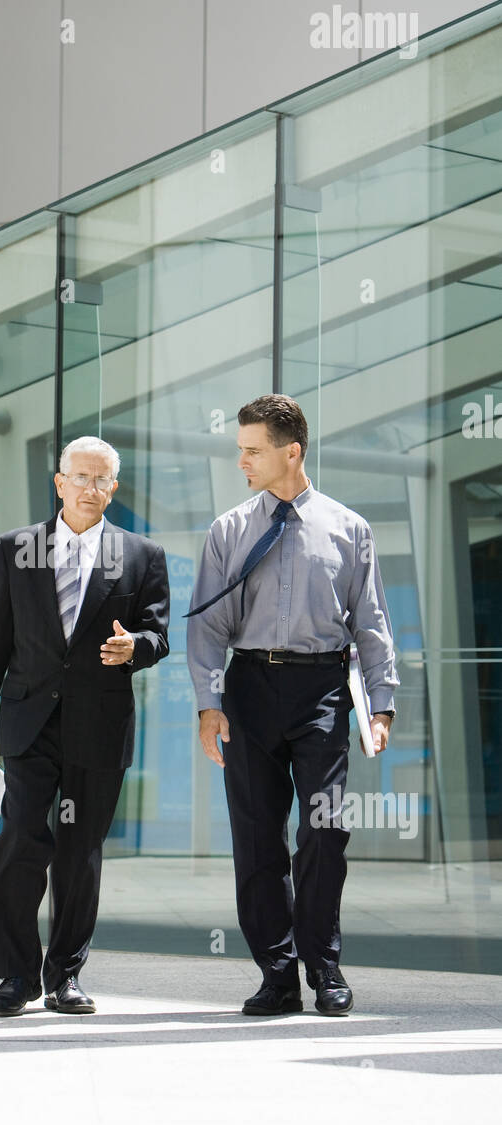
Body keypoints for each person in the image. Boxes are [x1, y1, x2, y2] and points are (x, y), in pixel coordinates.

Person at [187, 396, 398, 1018]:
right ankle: (277, 976)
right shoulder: (228, 530)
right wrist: (209, 702)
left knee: (326, 830)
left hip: (324, 693)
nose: (242, 461)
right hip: (250, 689)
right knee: (256, 840)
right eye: (240, 449)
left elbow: (372, 622)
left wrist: (380, 704)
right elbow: (207, 628)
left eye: (252, 450)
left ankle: (324, 966)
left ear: (291, 451)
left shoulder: (349, 528)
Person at [0, 437, 169, 1017]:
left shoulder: (142, 555)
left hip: (98, 726)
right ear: (59, 482)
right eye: (81, 478)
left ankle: (65, 976)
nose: (91, 489)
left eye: (102, 480)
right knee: (21, 840)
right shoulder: (15, 549)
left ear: (113, 489)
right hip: (29, 722)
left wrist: (136, 648)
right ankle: (15, 976)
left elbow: (158, 634)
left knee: (80, 852)